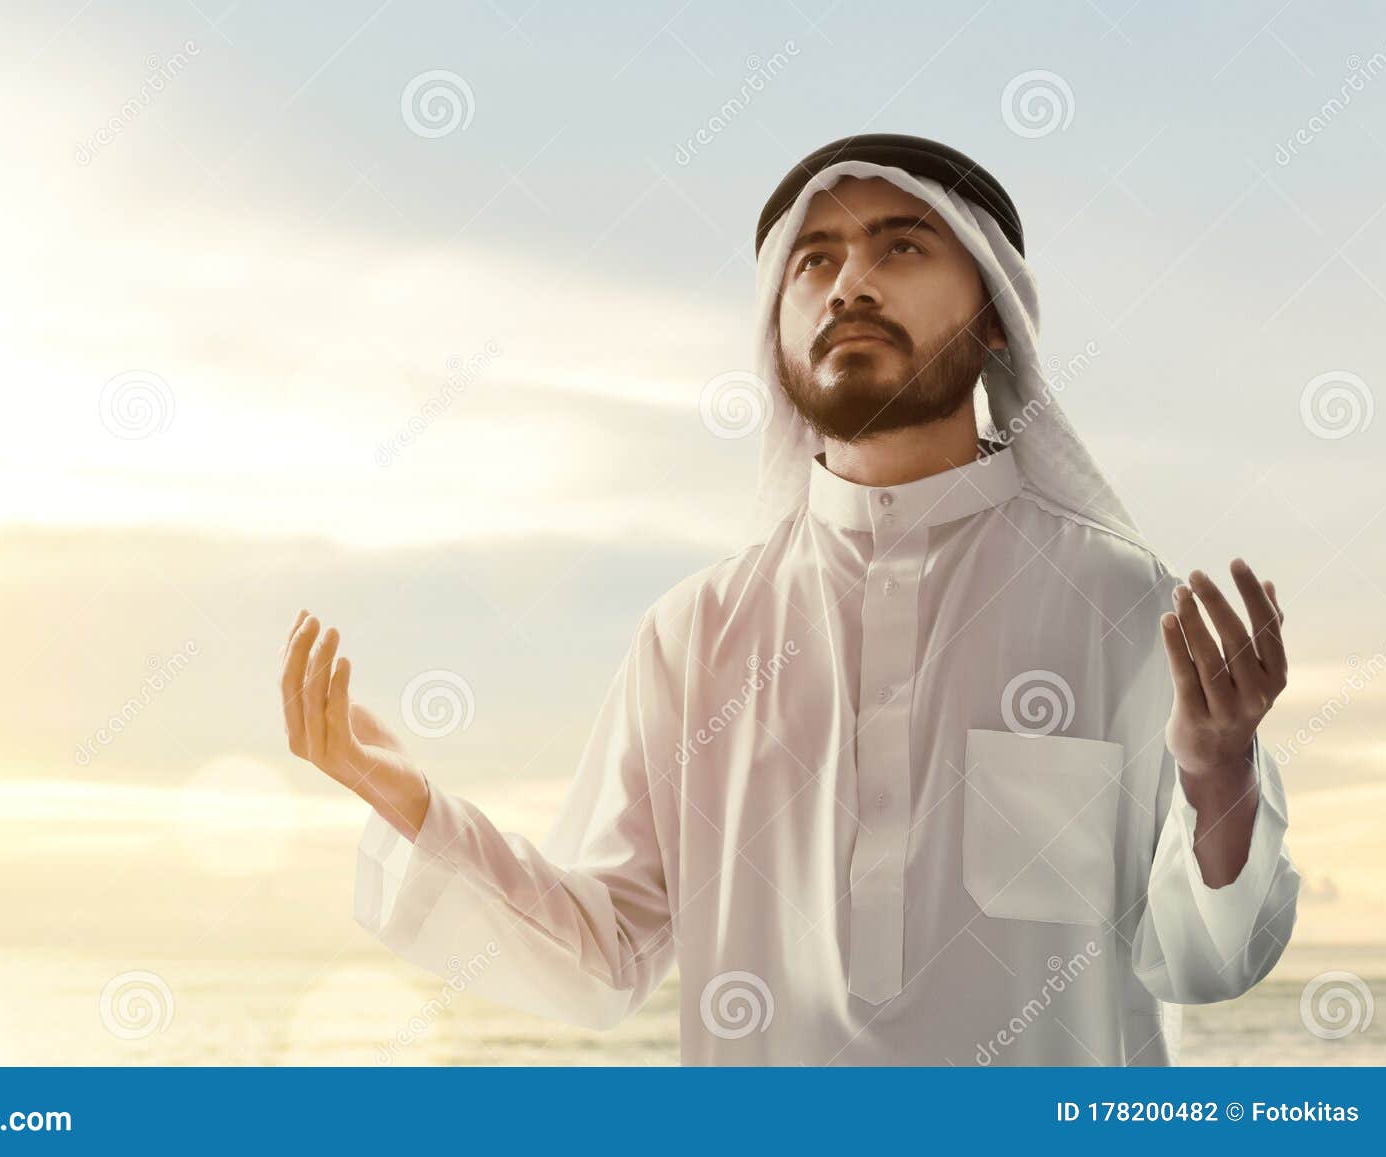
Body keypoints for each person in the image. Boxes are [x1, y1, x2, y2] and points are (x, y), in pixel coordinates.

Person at [278, 134, 1301, 1065]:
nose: (848, 281)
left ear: (994, 313)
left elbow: (1201, 958)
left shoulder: (1119, 602)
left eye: (900, 248)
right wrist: (412, 804)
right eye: (813, 260)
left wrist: (1219, 773)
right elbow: (603, 953)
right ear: (777, 331)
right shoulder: (695, 636)